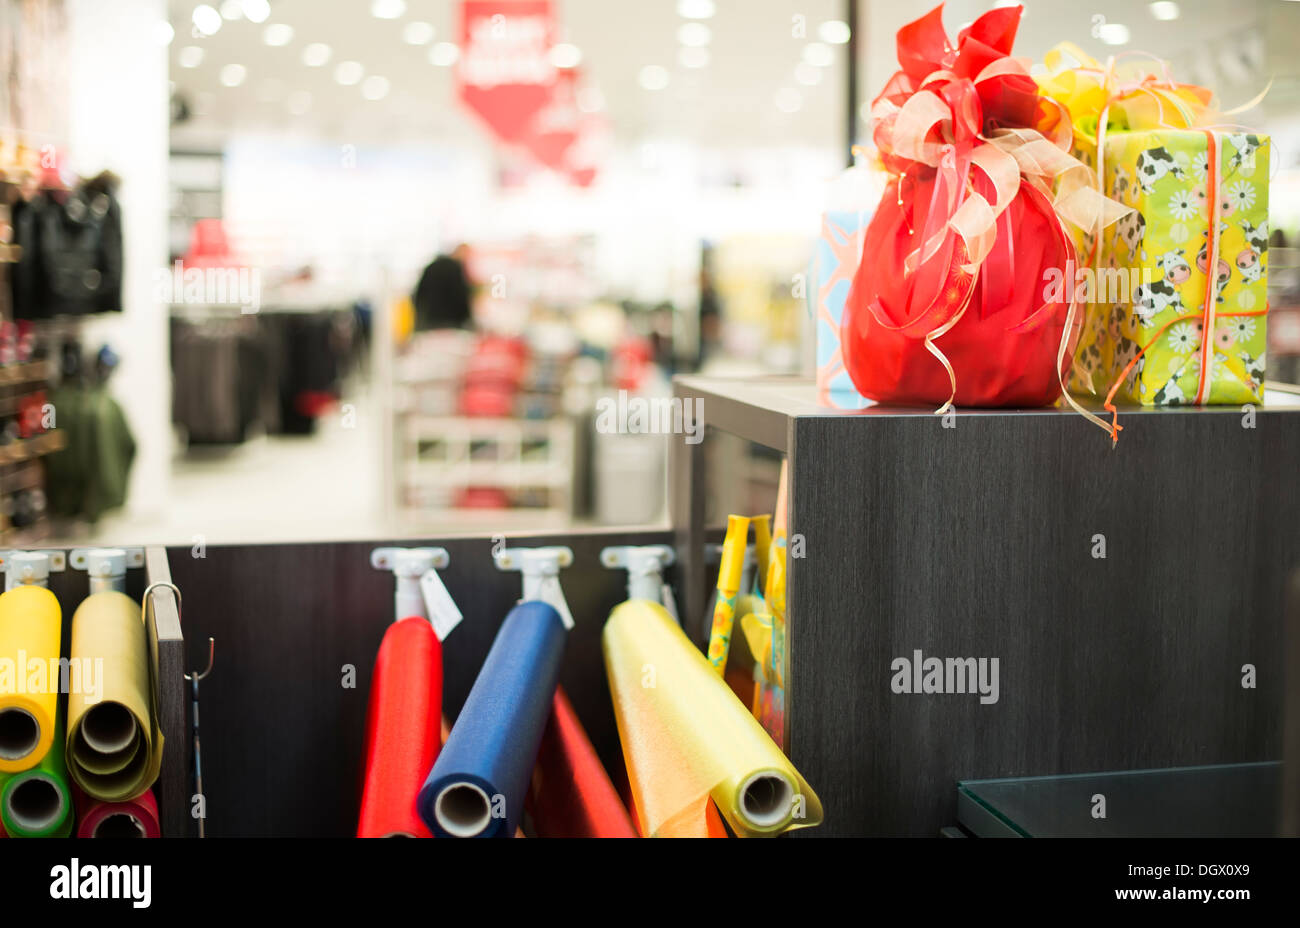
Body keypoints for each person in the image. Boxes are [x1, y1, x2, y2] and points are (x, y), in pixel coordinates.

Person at [412, 243, 473, 330]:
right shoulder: (456, 269)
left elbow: (418, 295)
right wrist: (467, 319)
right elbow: (461, 296)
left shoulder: (430, 267)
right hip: (452, 323)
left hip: (429, 322)